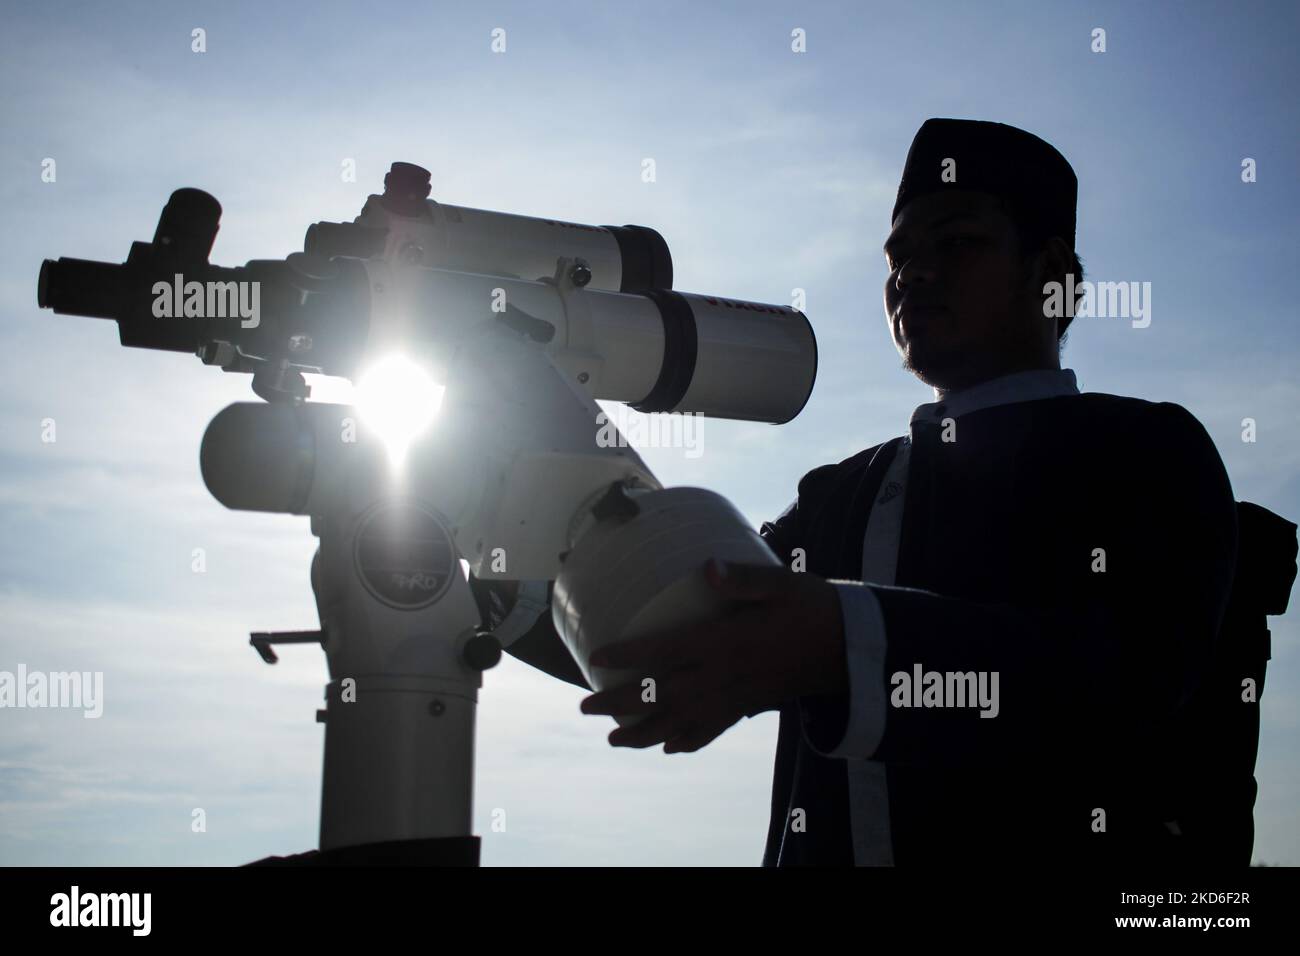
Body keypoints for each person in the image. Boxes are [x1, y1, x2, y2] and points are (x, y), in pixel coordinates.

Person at [482, 118, 1244, 866]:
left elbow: (1129, 679)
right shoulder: (841, 494)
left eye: (957, 243)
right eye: (901, 254)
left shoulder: (1145, 449)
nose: (913, 272)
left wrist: (841, 645)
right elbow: (670, 630)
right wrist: (472, 580)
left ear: (1051, 276)